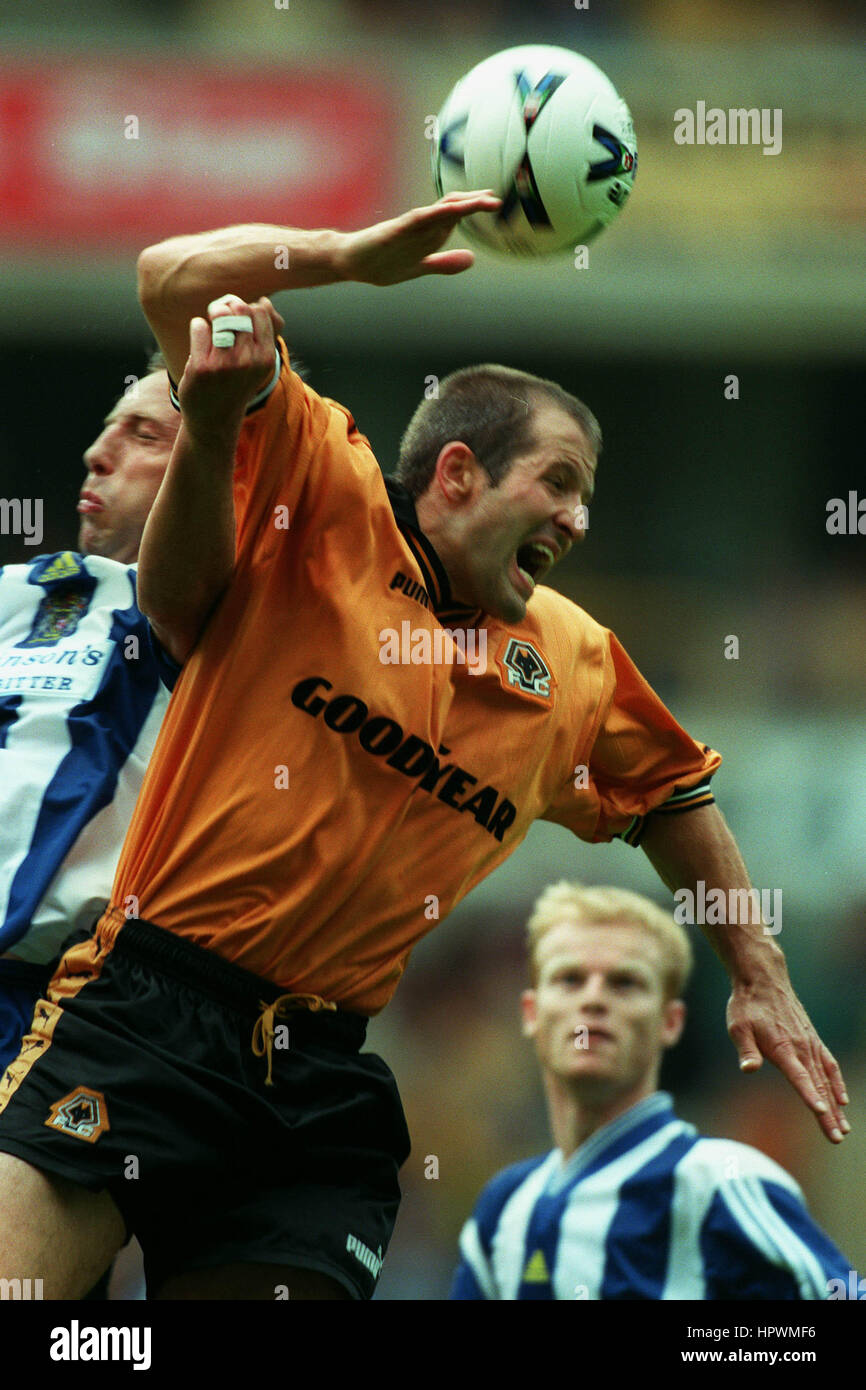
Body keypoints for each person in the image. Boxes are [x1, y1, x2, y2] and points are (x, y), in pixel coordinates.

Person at [0, 194, 847, 1302]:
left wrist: (759, 972)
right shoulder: (320, 491)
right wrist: (343, 257)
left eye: (587, 498)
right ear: (454, 474)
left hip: (317, 1082)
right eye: (558, 484)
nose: (578, 520)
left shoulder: (572, 661)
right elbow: (170, 275)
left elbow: (672, 795)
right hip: (143, 1008)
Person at [451, 881, 850, 1300]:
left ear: (671, 1021)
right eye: (569, 979)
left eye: (624, 983)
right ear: (531, 1013)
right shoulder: (504, 1209)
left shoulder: (720, 1182)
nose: (593, 999)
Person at [0, 362, 179, 1298]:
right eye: (110, 426)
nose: (96, 451)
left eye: (145, 435)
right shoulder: (15, 594)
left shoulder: (236, 615)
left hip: (67, 1006)